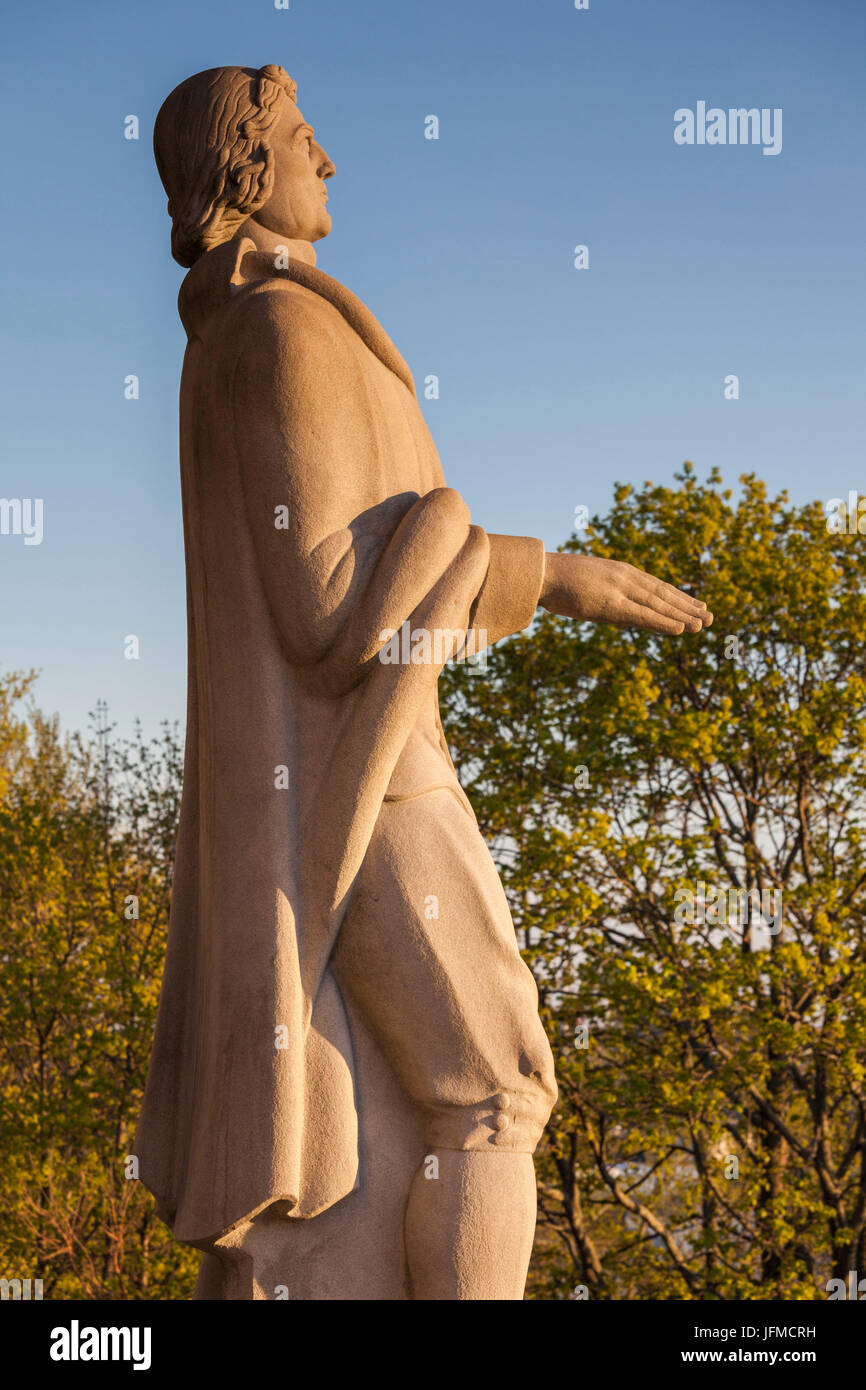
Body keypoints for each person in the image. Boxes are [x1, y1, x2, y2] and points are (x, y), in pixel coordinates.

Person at [136, 63, 712, 1300]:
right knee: (498, 1091)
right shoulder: (282, 331)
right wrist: (541, 572)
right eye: (303, 137)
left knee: (460, 1098)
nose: (327, 161)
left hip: (345, 775)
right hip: (376, 781)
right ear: (248, 168)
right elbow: (334, 616)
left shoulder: (252, 328)